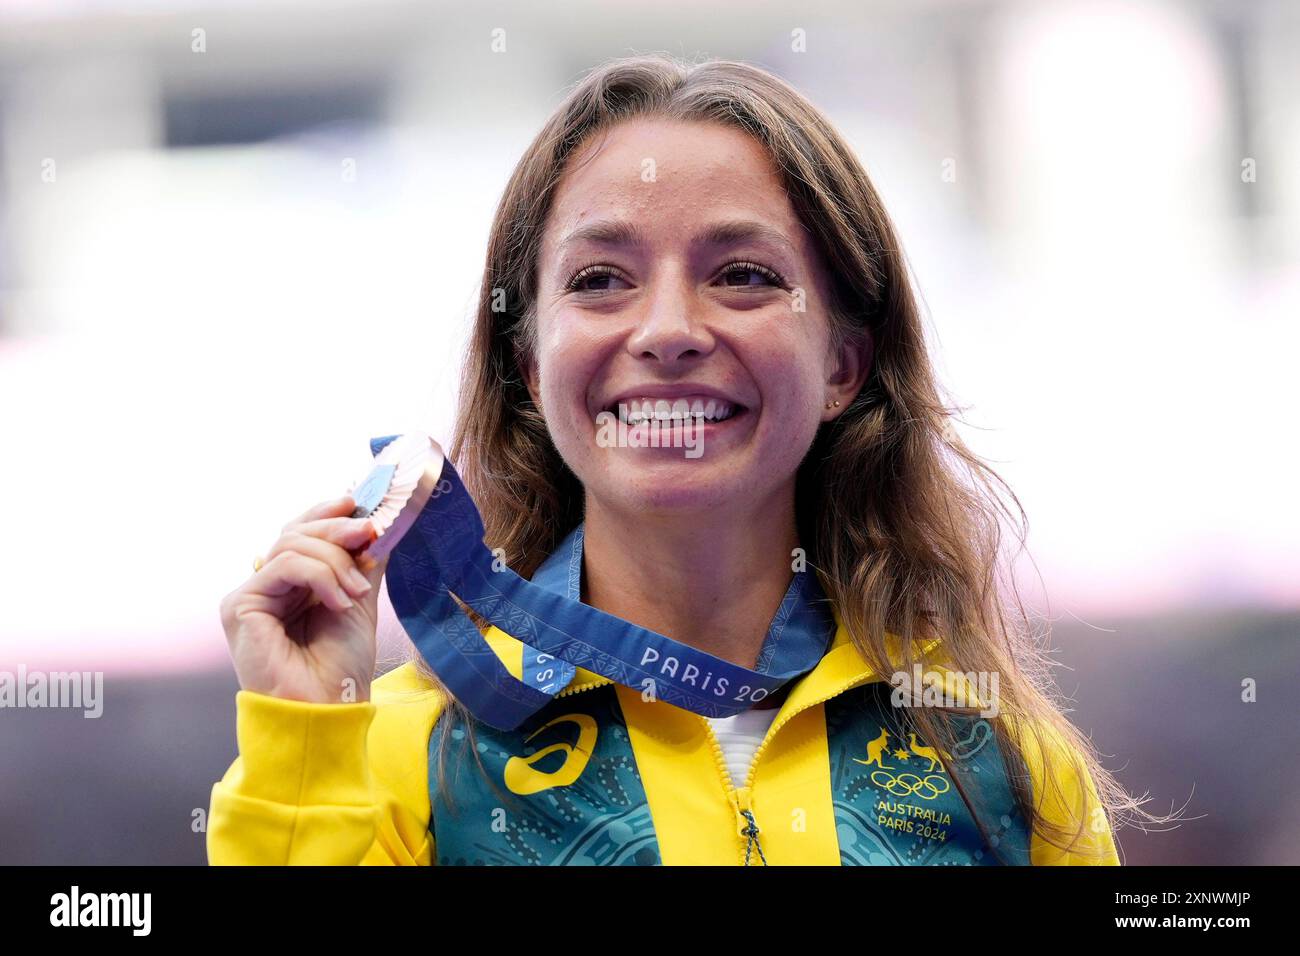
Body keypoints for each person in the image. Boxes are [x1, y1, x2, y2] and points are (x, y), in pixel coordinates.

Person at [209, 54, 1147, 865]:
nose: (666, 331)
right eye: (600, 280)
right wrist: (305, 737)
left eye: (743, 274)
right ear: (531, 366)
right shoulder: (406, 752)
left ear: (843, 364)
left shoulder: (994, 760)